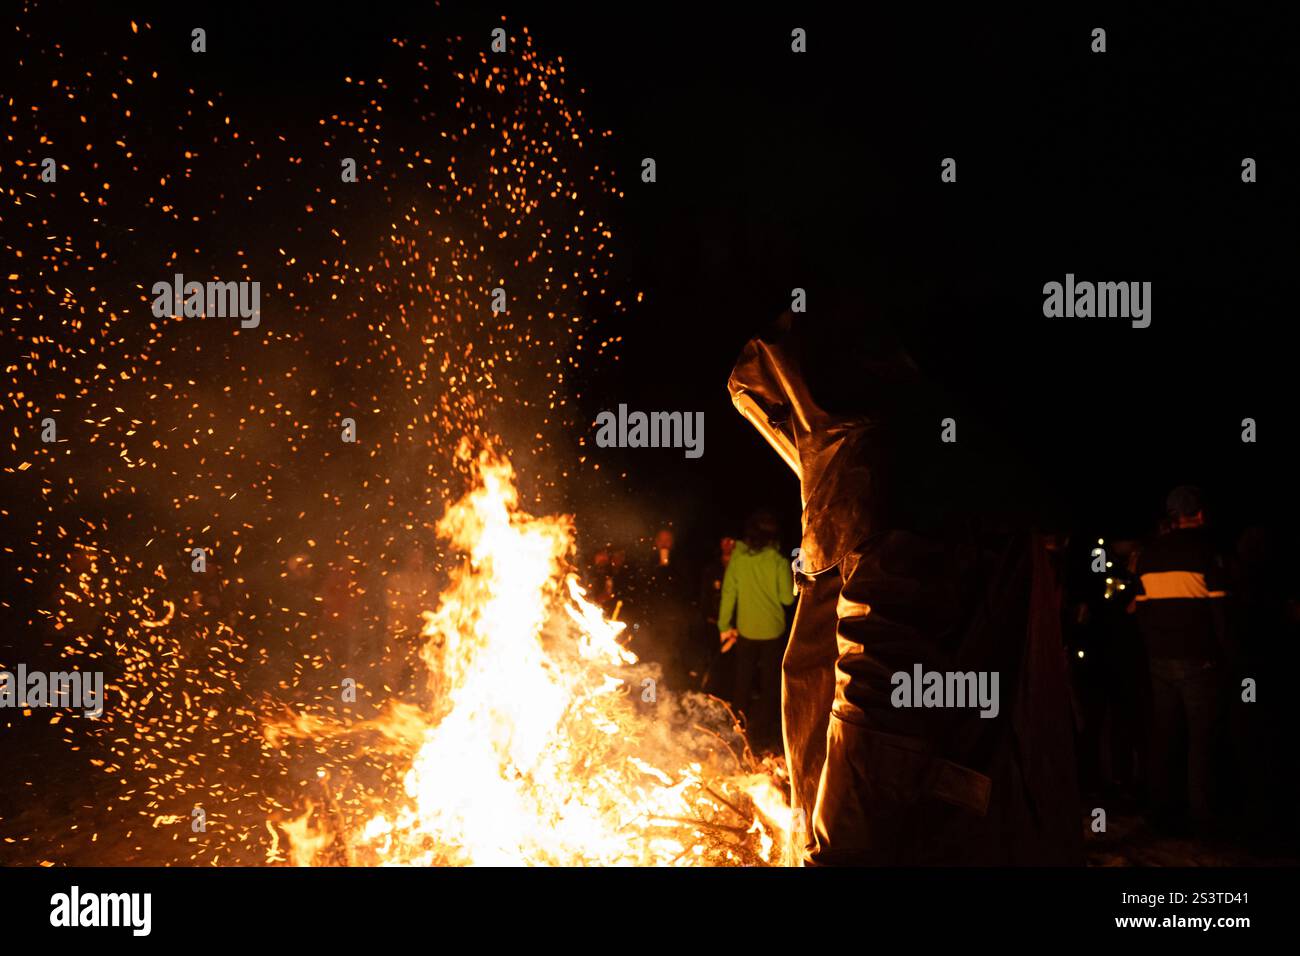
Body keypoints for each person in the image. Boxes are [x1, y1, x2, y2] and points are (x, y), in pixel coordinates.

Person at [726, 305, 1081, 865]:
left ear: (804, 402)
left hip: (929, 832)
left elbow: (884, 690)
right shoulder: (943, 454)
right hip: (976, 809)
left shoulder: (878, 476)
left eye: (779, 416)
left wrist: (837, 851)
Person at [1133, 485, 1231, 835]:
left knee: (1165, 736)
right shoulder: (1209, 554)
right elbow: (1220, 615)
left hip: (1159, 660)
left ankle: (1160, 813)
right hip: (1199, 661)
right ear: (1201, 514)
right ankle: (1203, 818)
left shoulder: (1149, 555)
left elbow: (1141, 614)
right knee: (1202, 741)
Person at [718, 512, 793, 748]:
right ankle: (760, 733)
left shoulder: (739, 560)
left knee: (743, 681)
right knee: (770, 685)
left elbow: (728, 593)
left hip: (747, 631)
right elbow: (787, 599)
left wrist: (723, 625)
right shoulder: (779, 562)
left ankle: (737, 730)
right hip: (772, 631)